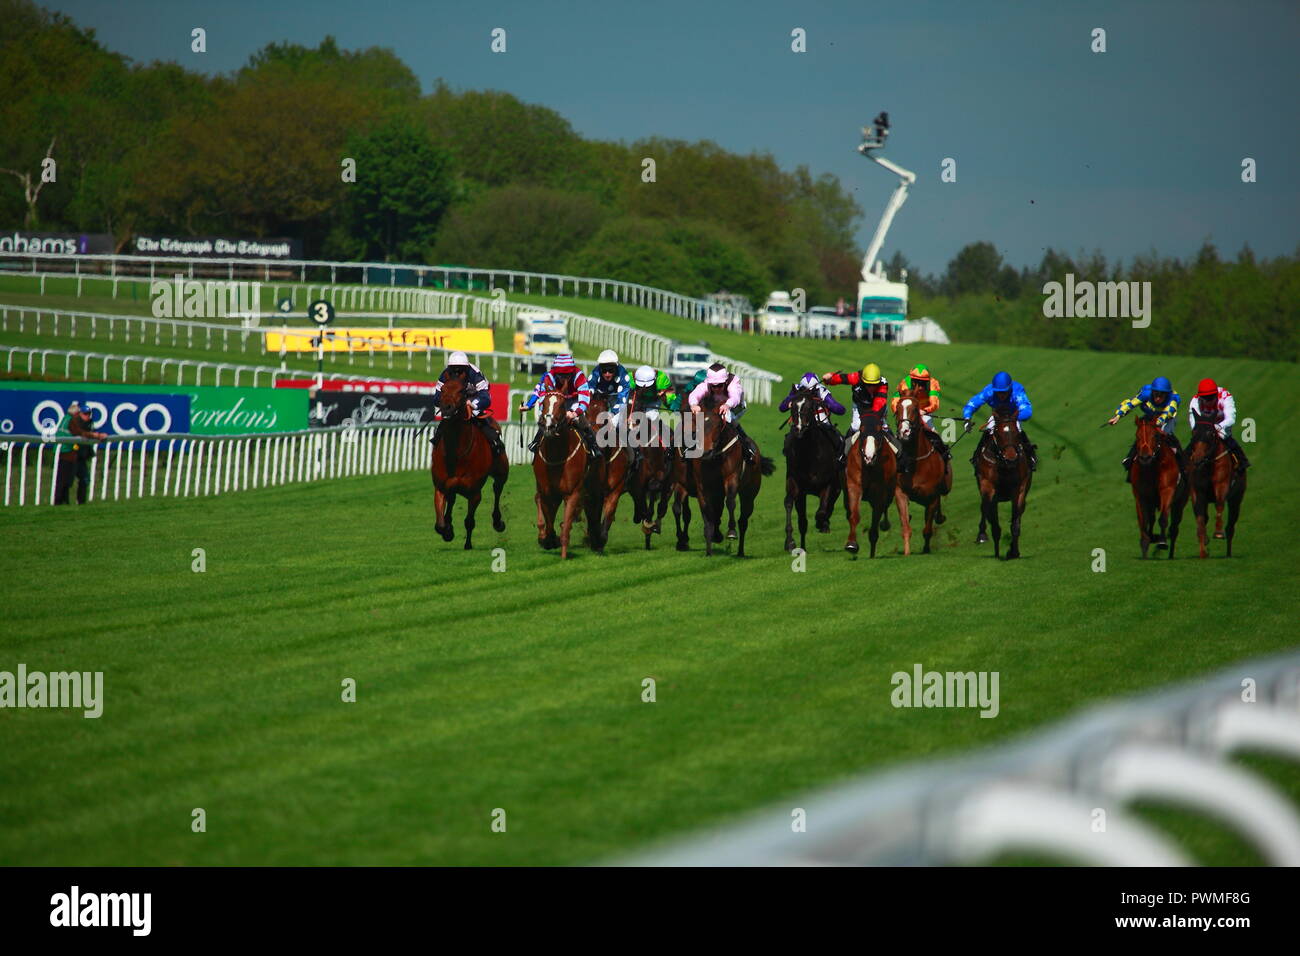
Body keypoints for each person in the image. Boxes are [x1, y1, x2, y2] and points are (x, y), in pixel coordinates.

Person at [428, 351, 506, 458]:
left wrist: (472, 404)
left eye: (460, 368)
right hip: (456, 401)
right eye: (454, 368)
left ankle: (495, 441)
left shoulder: (475, 374)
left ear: (467, 367)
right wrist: (445, 402)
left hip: (475, 398)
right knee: (447, 418)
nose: (457, 372)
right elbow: (436, 398)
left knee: (476, 415)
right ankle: (437, 441)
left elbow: (485, 398)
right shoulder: (445, 374)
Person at [521, 353, 600, 457]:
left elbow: (585, 399)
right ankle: (536, 441)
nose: (564, 379)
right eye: (561, 376)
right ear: (556, 372)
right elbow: (542, 397)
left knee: (581, 419)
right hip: (556, 401)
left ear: (572, 372)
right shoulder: (549, 376)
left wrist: (575, 413)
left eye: (567, 375)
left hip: (574, 400)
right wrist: (531, 406)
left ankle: (593, 446)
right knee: (546, 419)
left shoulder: (579, 376)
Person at [1108, 375, 1183, 479]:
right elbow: (1130, 404)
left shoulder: (1174, 399)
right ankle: (1129, 459)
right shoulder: (1145, 393)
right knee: (1143, 435)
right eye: (1156, 394)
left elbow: (1168, 413)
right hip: (1150, 416)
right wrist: (1117, 416)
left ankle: (1182, 464)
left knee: (1166, 435)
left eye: (1161, 396)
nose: (1157, 398)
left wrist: (1159, 422)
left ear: (1167, 394)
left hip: (1166, 419)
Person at [960, 370, 1037, 471]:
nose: (1001, 395)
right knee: (988, 430)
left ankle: (1030, 457)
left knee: (1017, 430)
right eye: (998, 392)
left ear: (1010, 389)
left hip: (1013, 416)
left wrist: (1013, 419)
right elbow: (972, 404)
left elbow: (1027, 411)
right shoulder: (989, 392)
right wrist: (967, 418)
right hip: (998, 416)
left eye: (1004, 392)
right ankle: (977, 457)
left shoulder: (1017, 392)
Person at [688, 363, 756, 463]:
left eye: (719, 385)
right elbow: (695, 394)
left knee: (729, 418)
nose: (716, 389)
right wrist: (694, 404)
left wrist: (727, 405)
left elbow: (735, 397)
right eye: (713, 386)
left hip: (736, 407)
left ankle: (747, 447)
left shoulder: (733, 383)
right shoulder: (706, 384)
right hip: (717, 407)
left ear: (725, 382)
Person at [822, 363, 893, 458]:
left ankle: (899, 455)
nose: (871, 388)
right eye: (868, 384)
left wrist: (870, 422)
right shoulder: (856, 377)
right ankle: (842, 455)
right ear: (863, 381)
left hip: (877, 408)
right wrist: (830, 378)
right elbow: (841, 378)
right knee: (855, 426)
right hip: (860, 406)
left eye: (874, 385)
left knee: (883, 427)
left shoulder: (883, 384)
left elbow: (879, 404)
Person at [889, 363, 951, 472]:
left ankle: (944, 458)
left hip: (924, 411)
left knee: (934, 434)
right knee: (899, 436)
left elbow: (935, 404)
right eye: (917, 382)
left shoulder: (933, 383)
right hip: (907, 413)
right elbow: (895, 402)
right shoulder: (904, 383)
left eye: (923, 383)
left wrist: (925, 410)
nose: (921, 386)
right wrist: (901, 412)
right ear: (912, 380)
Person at [1188, 377, 1250, 473]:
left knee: (1233, 446)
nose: (1208, 401)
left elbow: (1230, 419)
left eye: (1211, 397)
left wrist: (1217, 427)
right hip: (1204, 431)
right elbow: (1194, 423)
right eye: (1205, 398)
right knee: (1188, 452)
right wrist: (1201, 432)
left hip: (1222, 429)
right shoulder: (1195, 401)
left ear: (1216, 395)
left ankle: (1241, 464)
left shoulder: (1225, 396)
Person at [780, 372, 845, 459]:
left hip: (820, 420)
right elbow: (782, 408)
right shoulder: (796, 390)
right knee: (789, 439)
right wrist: (789, 404)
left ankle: (839, 459)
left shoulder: (821, 391)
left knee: (838, 439)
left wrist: (828, 404)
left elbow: (840, 410)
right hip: (801, 421)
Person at [54, 401, 106, 506]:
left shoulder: (67, 419)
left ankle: (69, 502)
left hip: (70, 453)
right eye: (81, 413)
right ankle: (61, 502)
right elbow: (79, 433)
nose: (85, 416)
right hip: (68, 453)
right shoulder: (71, 420)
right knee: (65, 481)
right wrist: (96, 436)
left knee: (71, 480)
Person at [588, 349, 632, 431]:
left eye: (611, 370)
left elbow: (622, 400)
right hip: (599, 396)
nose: (607, 374)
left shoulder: (623, 375)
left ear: (616, 368)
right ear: (600, 369)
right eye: (604, 371)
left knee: (618, 423)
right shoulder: (595, 372)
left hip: (616, 397)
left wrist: (613, 414)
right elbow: (589, 390)